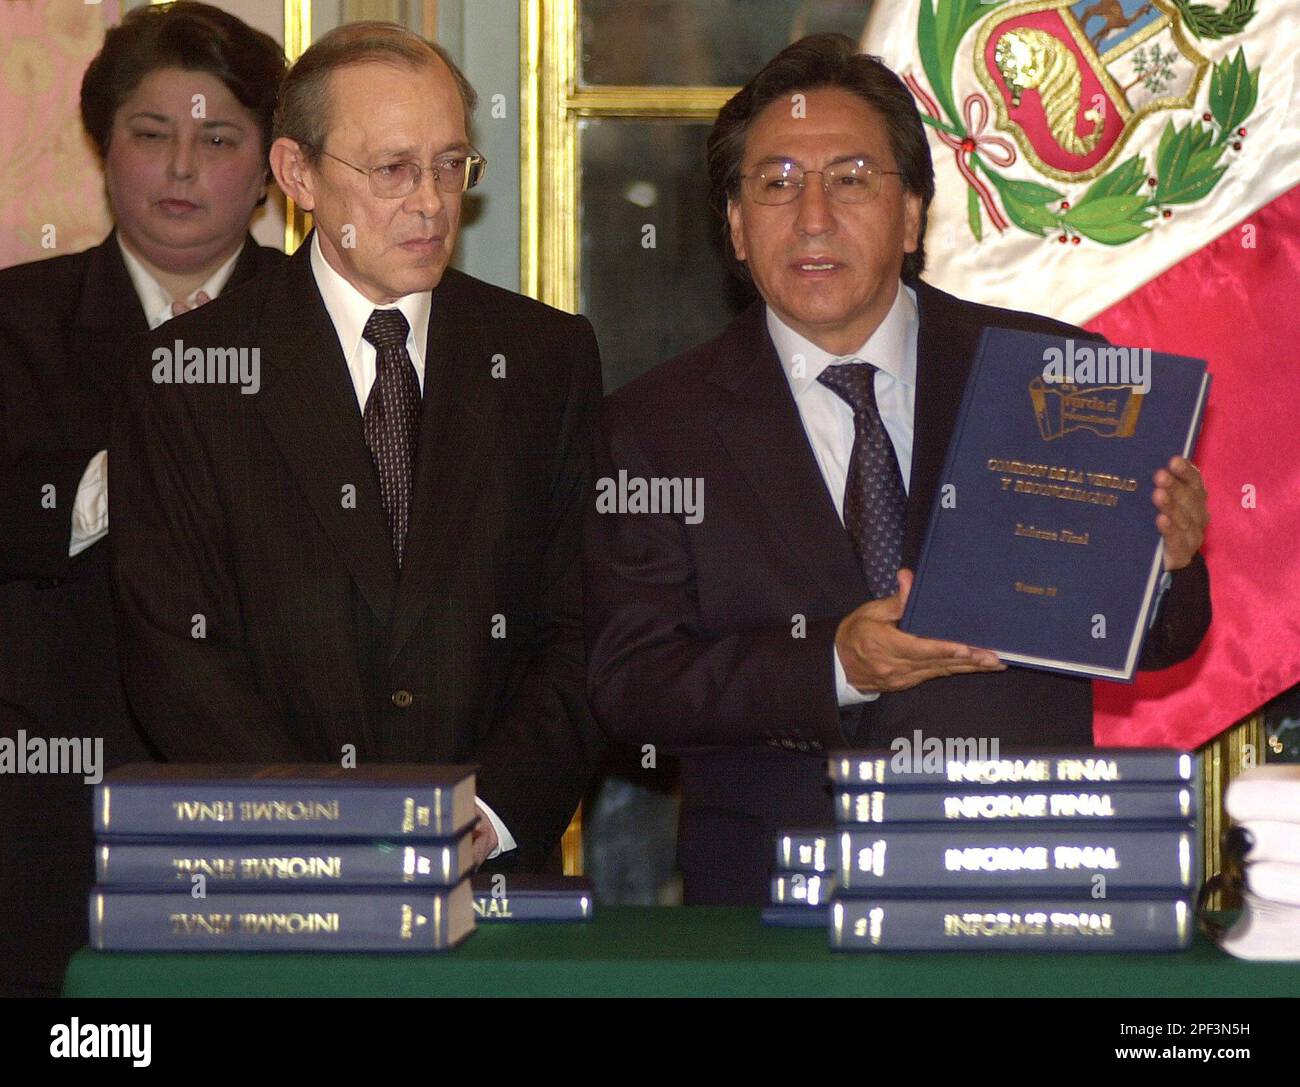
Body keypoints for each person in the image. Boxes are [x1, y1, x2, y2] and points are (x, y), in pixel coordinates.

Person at [582, 34, 1212, 905]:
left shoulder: (1054, 377)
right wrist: (835, 664)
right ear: (733, 224)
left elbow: (1158, 635)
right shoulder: (653, 428)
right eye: (776, 183)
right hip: (776, 905)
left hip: (1021, 880)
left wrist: (1167, 563)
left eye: (851, 179)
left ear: (913, 213)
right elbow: (632, 686)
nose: (812, 216)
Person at [110, 23, 604, 878]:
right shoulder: (189, 373)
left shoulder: (543, 358)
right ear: (298, 174)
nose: (431, 202)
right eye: (392, 169)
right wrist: (323, 822)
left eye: (451, 166)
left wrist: (487, 811)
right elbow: (175, 653)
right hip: (272, 879)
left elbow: (582, 625)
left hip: (486, 878)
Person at [0, 1, 286, 995]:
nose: (178, 168)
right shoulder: (18, 322)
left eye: (216, 140)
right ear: (102, 145)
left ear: (270, 165)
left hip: (284, 803)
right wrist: (136, 473)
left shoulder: (331, 333)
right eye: (151, 134)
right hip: (49, 806)